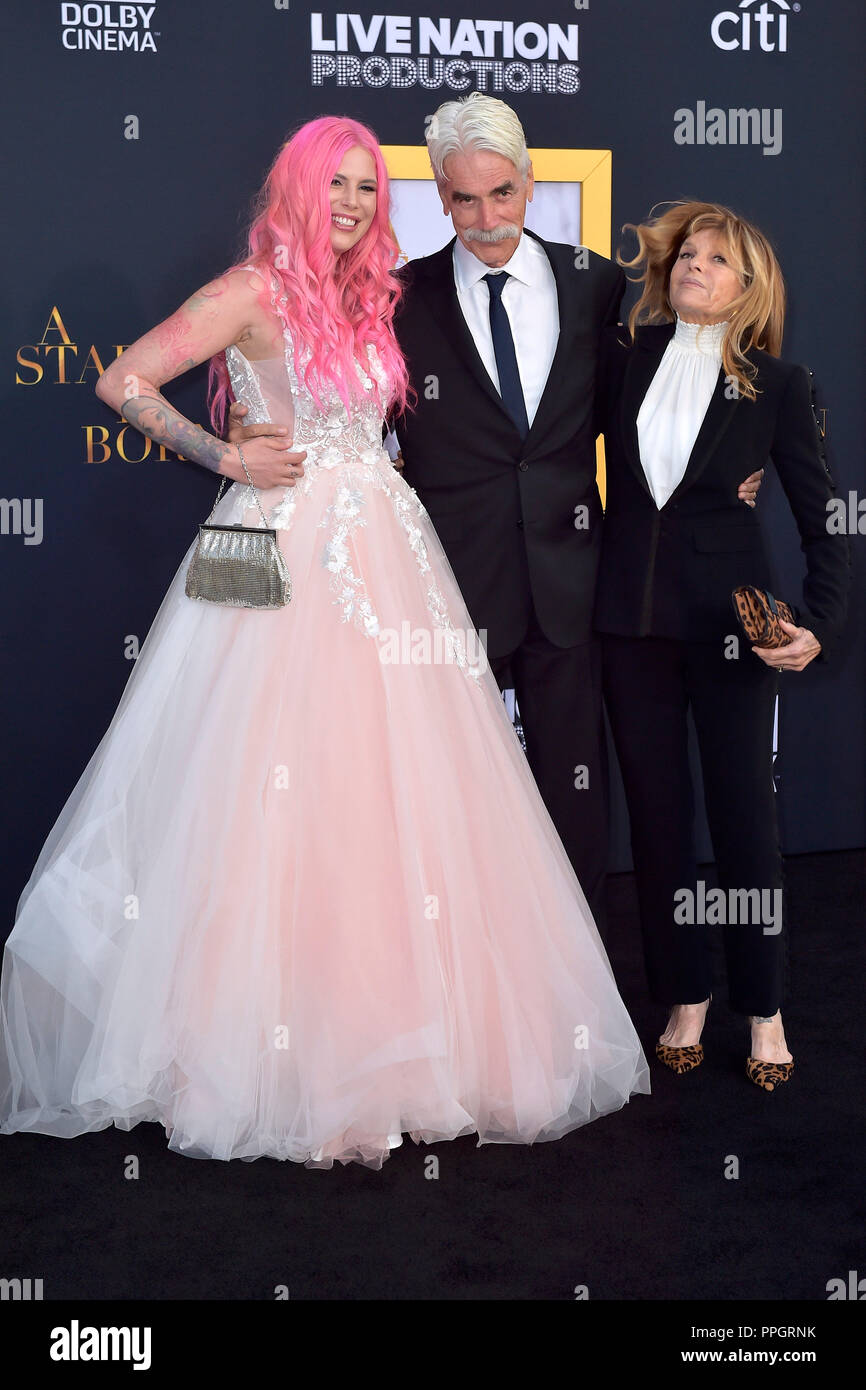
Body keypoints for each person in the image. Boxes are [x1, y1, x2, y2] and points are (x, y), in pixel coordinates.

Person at [0, 117, 650, 1169]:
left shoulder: (366, 296)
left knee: (393, 795)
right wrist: (226, 454)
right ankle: (265, 1052)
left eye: (365, 188)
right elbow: (120, 379)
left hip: (390, 554)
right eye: (334, 184)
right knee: (263, 790)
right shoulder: (247, 289)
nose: (350, 202)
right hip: (280, 553)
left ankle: (401, 1042)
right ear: (297, 188)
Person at [231, 95, 762, 930]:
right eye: (464, 198)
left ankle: (573, 978)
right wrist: (244, 438)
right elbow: (349, 410)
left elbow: (634, 414)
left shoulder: (595, 281)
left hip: (571, 582)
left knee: (574, 797)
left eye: (503, 194)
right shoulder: (396, 300)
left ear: (528, 182)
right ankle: (462, 980)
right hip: (440, 588)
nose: (486, 217)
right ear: (438, 198)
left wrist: (730, 468)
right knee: (445, 800)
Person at [594, 201, 850, 1090]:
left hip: (734, 627)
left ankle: (764, 1006)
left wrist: (817, 622)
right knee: (660, 823)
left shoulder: (780, 385)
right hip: (629, 624)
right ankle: (686, 995)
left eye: (716, 259)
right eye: (686, 255)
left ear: (750, 286)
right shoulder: (625, 361)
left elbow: (827, 522)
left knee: (747, 818)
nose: (694, 267)